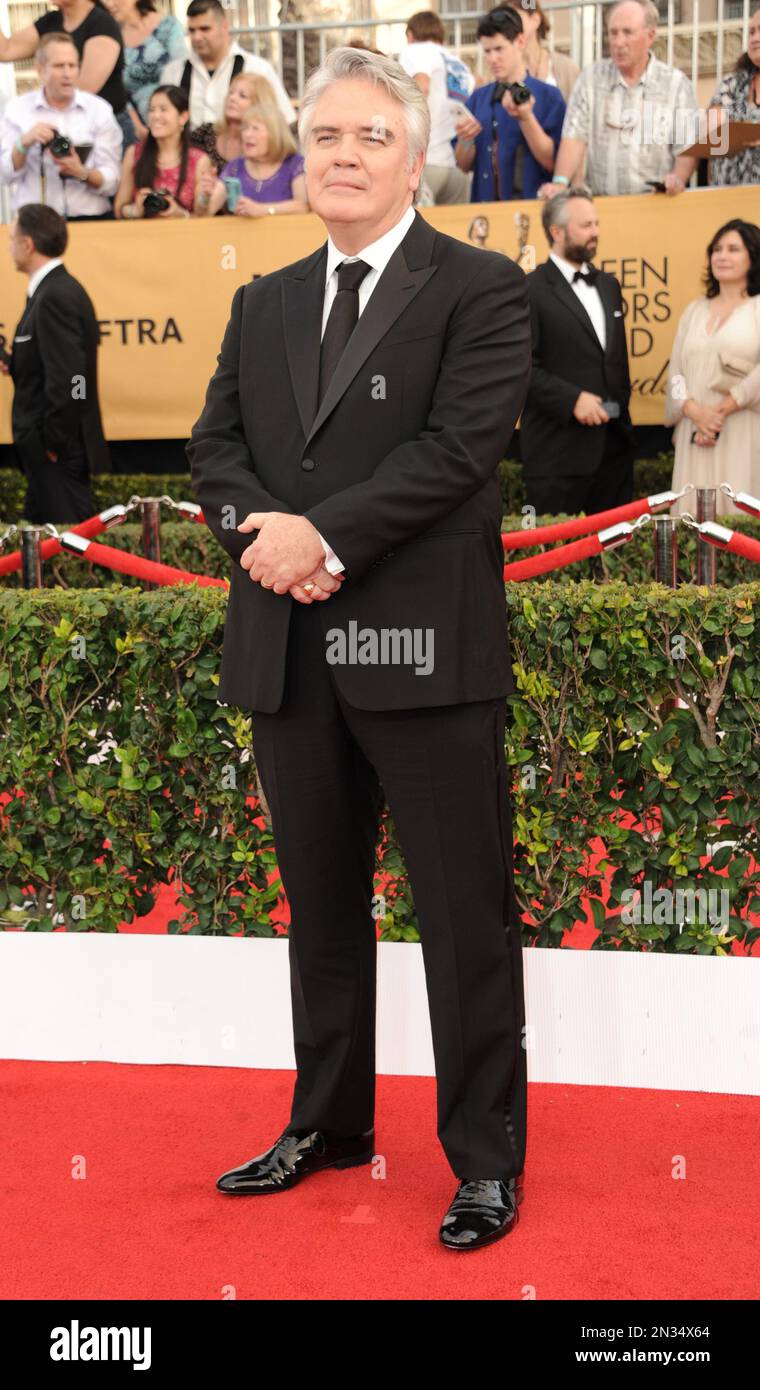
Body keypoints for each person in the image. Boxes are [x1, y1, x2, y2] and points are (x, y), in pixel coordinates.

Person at [187, 44, 532, 1253]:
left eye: (370, 137)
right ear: (301, 156)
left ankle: (484, 1159)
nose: (341, 154)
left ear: (417, 156)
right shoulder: (262, 299)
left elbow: (455, 453)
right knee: (321, 913)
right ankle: (327, 1125)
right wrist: (260, 538)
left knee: (461, 918)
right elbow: (213, 452)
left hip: (426, 657)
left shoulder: (482, 290)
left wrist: (319, 536)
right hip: (288, 655)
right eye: (326, 135)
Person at [520, 188, 635, 517]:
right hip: (558, 455)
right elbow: (521, 368)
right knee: (559, 558)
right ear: (556, 232)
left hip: (614, 450)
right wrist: (572, 400)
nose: (596, 231)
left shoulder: (608, 285)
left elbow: (615, 362)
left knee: (615, 559)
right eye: (586, 225)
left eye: (596, 223)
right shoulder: (529, 289)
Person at [1, 203, 109, 524]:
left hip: (57, 453)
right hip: (49, 453)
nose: (8, 246)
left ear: (27, 244)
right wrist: (14, 362)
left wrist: (53, 444)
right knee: (43, 550)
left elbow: (72, 380)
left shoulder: (55, 295)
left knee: (69, 550)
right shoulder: (50, 292)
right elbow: (50, 365)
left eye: (11, 238)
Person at [539, 0, 698, 198]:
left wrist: (678, 179)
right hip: (602, 207)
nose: (618, 42)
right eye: (613, 33)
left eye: (627, 32)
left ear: (650, 35)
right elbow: (574, 136)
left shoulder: (676, 84)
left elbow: (688, 147)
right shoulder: (590, 79)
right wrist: (560, 182)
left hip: (658, 204)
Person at [666, 219, 760, 517]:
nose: (722, 256)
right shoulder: (694, 310)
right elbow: (676, 372)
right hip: (694, 431)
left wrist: (722, 410)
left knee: (738, 517)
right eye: (717, 249)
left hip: (741, 429)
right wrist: (693, 410)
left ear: (753, 257)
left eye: (733, 249)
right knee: (691, 522)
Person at [0, 33, 122, 220]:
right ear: (40, 70)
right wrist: (24, 143)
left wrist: (81, 172)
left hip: (89, 220)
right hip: (35, 222)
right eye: (59, 66)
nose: (67, 74)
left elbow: (112, 181)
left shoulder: (99, 110)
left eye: (72, 66)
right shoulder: (17, 110)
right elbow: (5, 175)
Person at [453, 6, 565, 201]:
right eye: (487, 51)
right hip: (485, 214)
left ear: (520, 41)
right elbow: (462, 165)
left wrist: (526, 118)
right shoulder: (477, 99)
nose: (492, 59)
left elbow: (555, 162)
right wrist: (465, 140)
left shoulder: (549, 97)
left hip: (534, 212)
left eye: (499, 49)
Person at [0, 0, 137, 152]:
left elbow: (84, 88)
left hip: (105, 133)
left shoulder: (102, 24)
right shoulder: (52, 21)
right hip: (65, 127)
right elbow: (6, 50)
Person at [160, 0, 295, 131]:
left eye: (204, 29)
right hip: (187, 151)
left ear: (224, 26)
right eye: (192, 30)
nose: (197, 37)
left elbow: (283, 121)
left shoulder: (258, 69)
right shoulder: (173, 72)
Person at [396, 10, 471, 205]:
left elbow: (421, 86)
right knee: (454, 233)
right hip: (456, 167)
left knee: (413, 233)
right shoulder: (460, 65)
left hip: (426, 163)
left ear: (410, 35)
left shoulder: (415, 50)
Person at [114, 83, 212, 217]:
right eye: (152, 110)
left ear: (183, 117)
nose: (155, 116)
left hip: (183, 236)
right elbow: (119, 209)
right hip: (141, 235)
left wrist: (179, 213)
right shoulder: (134, 153)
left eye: (163, 109)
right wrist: (135, 210)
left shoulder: (199, 160)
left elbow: (202, 216)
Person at [102, 0, 187, 143]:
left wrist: (166, 119)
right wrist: (137, 126)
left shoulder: (168, 26)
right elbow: (117, 86)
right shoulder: (113, 36)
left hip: (173, 120)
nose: (109, 4)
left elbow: (180, 73)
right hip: (133, 126)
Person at [206, 105, 307, 217]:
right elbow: (207, 211)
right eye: (245, 128)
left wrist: (262, 210)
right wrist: (204, 196)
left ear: (275, 134)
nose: (247, 134)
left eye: (255, 128)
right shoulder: (234, 167)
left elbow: (303, 206)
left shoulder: (294, 164)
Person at [190, 71, 281, 176]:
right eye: (231, 93)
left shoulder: (265, 144)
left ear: (259, 104)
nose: (232, 98)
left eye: (242, 96)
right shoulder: (204, 133)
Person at [708, 4, 760, 188]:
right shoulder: (731, 84)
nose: (754, 38)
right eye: (752, 32)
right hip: (729, 193)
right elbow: (714, 135)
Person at [498, 0, 579, 103]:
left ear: (535, 20)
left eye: (514, 17)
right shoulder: (501, 67)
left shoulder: (565, 67)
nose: (507, 25)